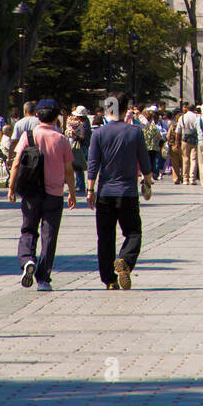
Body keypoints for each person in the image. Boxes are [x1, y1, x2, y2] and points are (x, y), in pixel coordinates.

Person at [8, 98, 76, 292]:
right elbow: (69, 169)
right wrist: (71, 192)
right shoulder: (61, 139)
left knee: (28, 229)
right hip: (54, 194)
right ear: (56, 118)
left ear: (38, 115)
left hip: (30, 192)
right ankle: (43, 278)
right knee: (49, 235)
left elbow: (16, 163)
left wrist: (12, 188)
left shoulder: (28, 136)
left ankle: (28, 260)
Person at [87, 99, 153, 290]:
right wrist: (148, 182)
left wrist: (90, 190)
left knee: (105, 237)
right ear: (125, 111)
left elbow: (93, 164)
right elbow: (145, 161)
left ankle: (109, 280)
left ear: (107, 110)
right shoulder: (134, 132)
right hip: (127, 193)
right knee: (133, 232)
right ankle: (125, 260)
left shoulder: (98, 134)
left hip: (105, 193)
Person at [179, 103, 201, 185]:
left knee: (185, 159)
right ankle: (192, 178)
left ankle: (185, 179)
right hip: (194, 139)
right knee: (194, 159)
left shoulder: (183, 117)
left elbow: (178, 130)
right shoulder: (197, 117)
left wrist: (178, 141)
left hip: (185, 140)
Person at [166, 113, 183, 184]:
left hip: (172, 146)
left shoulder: (172, 126)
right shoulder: (182, 126)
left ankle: (176, 178)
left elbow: (168, 136)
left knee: (175, 163)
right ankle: (183, 177)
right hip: (181, 146)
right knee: (183, 163)